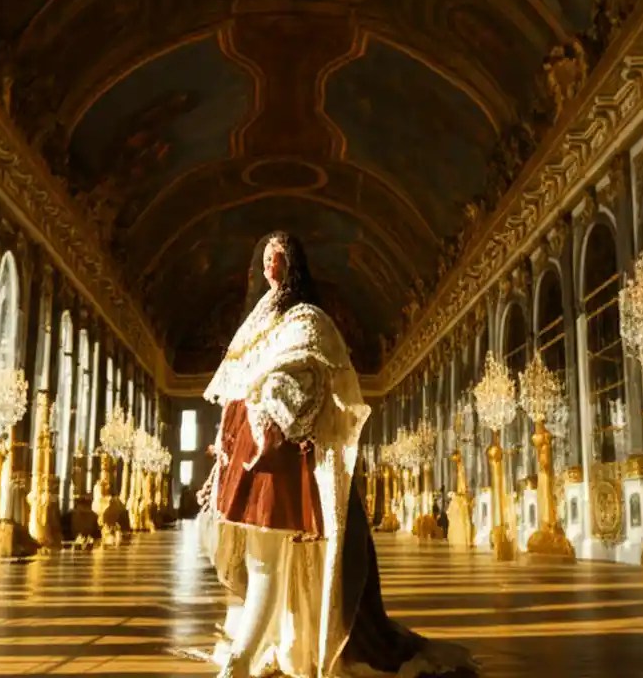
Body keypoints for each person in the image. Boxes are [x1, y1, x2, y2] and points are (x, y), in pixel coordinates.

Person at [196, 231, 477, 678]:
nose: (271, 266)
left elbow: (304, 382)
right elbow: (236, 383)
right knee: (260, 560)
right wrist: (230, 436)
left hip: (285, 460)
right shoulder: (257, 321)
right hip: (246, 458)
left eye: (279, 258)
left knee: (270, 560)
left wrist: (268, 408)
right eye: (266, 258)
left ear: (295, 265)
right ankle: (261, 646)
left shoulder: (308, 318)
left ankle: (245, 658)